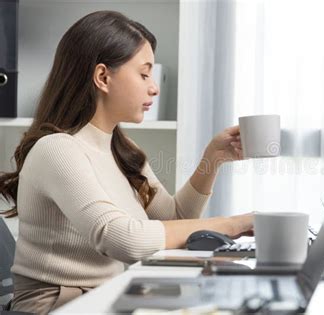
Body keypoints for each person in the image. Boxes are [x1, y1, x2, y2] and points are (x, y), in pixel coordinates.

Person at [0, 11, 253, 314]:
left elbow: (173, 222)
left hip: (103, 296)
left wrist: (214, 158)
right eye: (144, 74)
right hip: (58, 305)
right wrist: (234, 224)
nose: (154, 87)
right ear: (103, 77)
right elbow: (121, 239)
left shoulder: (121, 148)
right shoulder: (57, 150)